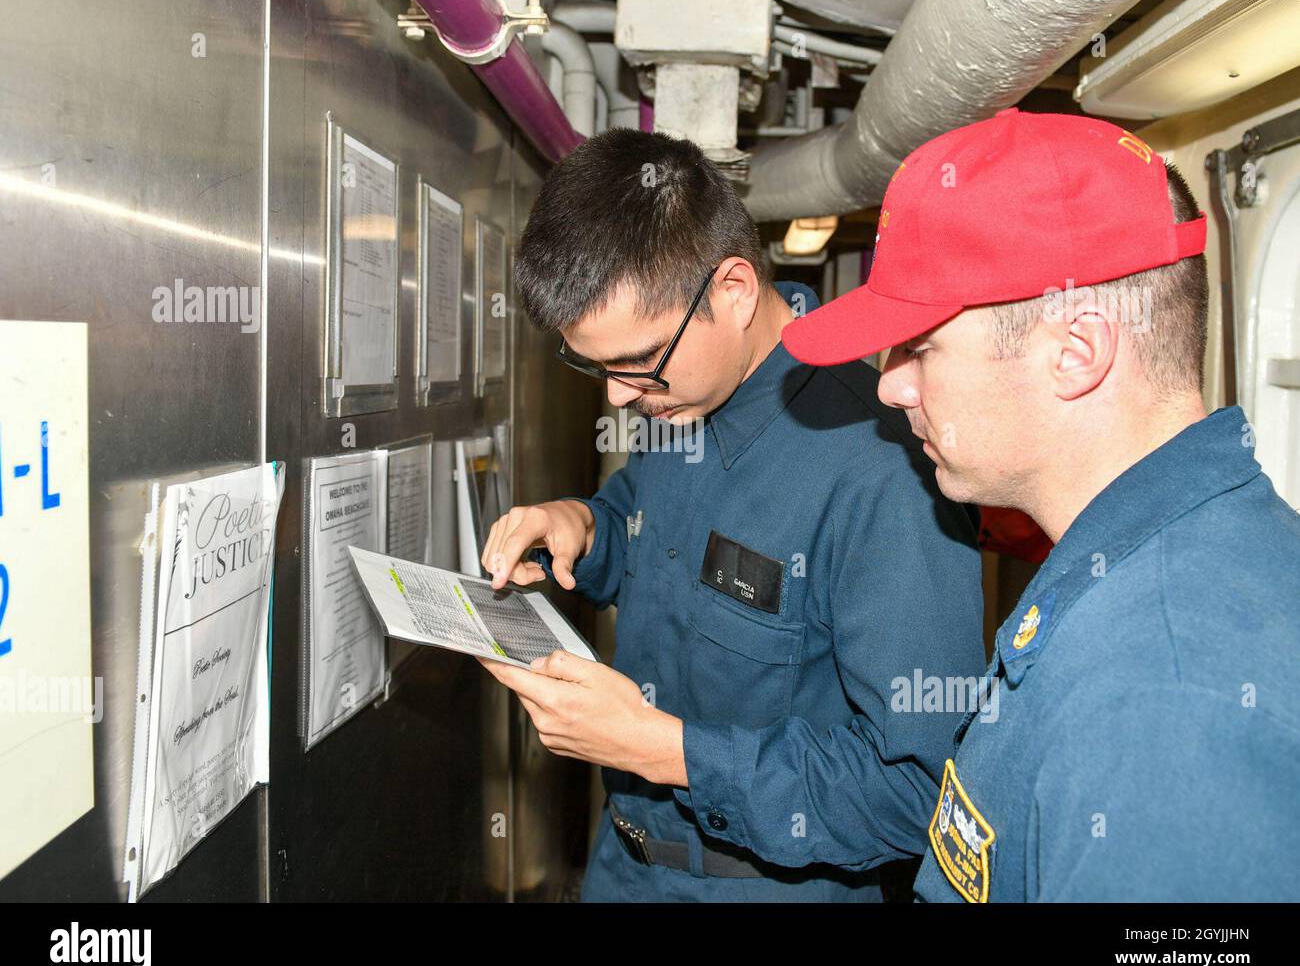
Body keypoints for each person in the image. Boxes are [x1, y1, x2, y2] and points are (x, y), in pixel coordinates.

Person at [783, 107, 1300, 902]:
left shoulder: (1168, 710)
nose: (890, 385)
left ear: (1075, 353)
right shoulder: (1149, 566)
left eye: (920, 347)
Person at [478, 127, 985, 902]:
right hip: (622, 867)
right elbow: (644, 524)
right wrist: (583, 523)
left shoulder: (884, 467)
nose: (617, 395)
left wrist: (670, 753)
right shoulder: (679, 390)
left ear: (736, 291)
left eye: (637, 360)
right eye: (597, 365)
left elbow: (916, 793)